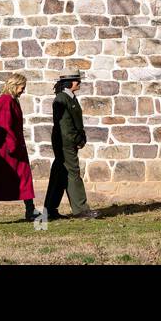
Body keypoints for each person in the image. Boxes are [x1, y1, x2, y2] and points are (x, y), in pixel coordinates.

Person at [0, 73, 37, 224]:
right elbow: (4, 125)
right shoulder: (5, 101)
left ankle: (30, 210)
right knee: (0, 179)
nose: (23, 90)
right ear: (14, 85)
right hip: (7, 146)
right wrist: (13, 146)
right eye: (22, 87)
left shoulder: (12, 100)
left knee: (24, 176)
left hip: (13, 144)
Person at [43, 71, 98, 220]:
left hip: (67, 141)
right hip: (65, 142)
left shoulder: (70, 97)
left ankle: (50, 210)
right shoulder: (61, 99)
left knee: (60, 174)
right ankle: (81, 209)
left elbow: (76, 122)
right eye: (77, 80)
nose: (79, 82)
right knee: (73, 172)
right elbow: (65, 125)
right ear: (69, 83)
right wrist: (76, 140)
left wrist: (82, 136)